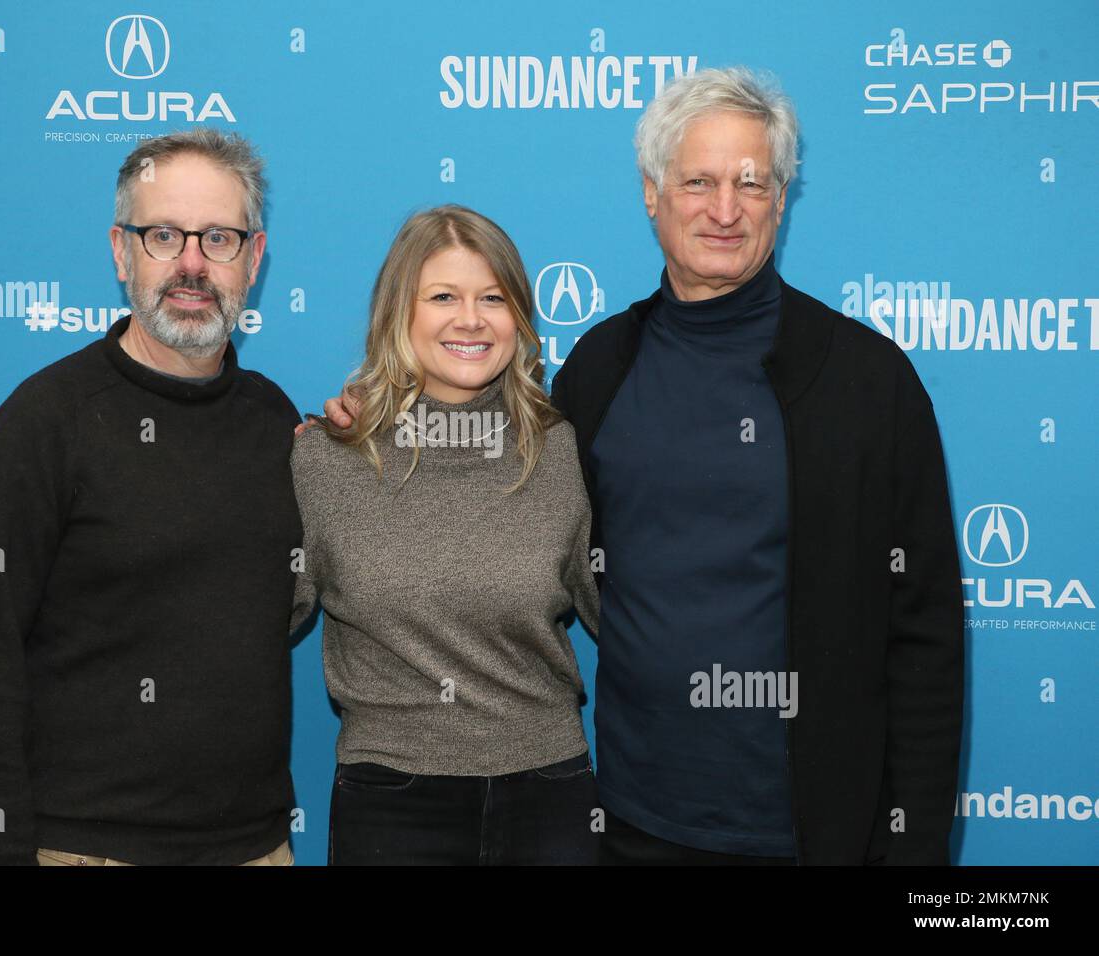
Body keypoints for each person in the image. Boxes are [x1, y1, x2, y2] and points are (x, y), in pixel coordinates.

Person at [323, 69, 965, 866]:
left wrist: (916, 849)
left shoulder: (869, 381)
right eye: (698, 181)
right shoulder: (599, 369)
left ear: (782, 197)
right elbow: (490, 491)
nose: (724, 209)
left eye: (750, 183)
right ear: (653, 194)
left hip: (818, 831)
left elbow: (926, 634)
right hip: (629, 824)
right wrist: (371, 419)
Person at [0, 129, 301, 866]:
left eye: (220, 238)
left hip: (257, 849)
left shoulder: (275, 422)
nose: (192, 263)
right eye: (164, 235)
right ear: (121, 250)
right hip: (83, 850)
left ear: (254, 260)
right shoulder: (45, 421)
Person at [290, 205, 601, 865]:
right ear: (400, 313)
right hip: (390, 803)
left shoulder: (565, 454)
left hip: (549, 796)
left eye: (493, 297)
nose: (470, 318)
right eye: (443, 297)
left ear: (518, 316)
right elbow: (242, 622)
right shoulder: (326, 460)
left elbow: (634, 618)